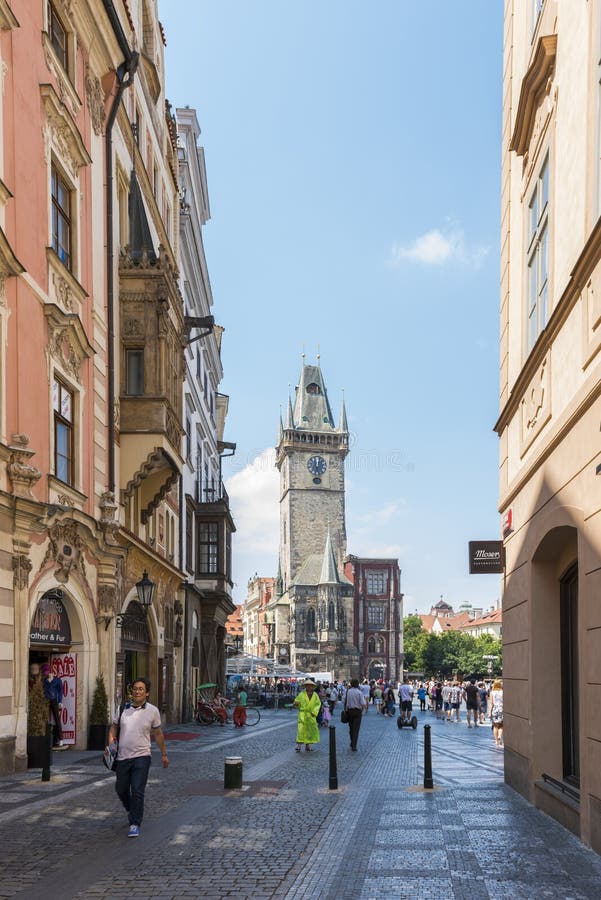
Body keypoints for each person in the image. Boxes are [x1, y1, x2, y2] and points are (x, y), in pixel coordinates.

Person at [107, 677, 168, 838]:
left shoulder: (152, 711)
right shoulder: (122, 709)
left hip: (142, 756)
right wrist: (111, 744)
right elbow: (114, 728)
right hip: (122, 757)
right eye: (135, 688)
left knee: (137, 789)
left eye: (141, 689)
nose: (137, 691)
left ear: (147, 693)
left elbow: (158, 733)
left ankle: (134, 823)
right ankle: (131, 808)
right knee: (120, 788)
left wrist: (163, 754)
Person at [293, 679, 321, 751]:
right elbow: (297, 701)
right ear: (305, 686)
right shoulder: (301, 694)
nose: (308, 687)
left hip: (311, 715)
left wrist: (314, 712)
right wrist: (296, 703)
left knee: (309, 731)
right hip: (302, 715)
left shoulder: (315, 695)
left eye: (310, 686)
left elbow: (318, 704)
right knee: (300, 730)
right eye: (307, 686)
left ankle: (307, 746)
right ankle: (298, 746)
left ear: (312, 686)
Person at [41, 663, 64, 747]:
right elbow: (41, 689)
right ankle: (45, 737)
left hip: (54, 700)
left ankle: (61, 738)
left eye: (47, 671)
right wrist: (47, 681)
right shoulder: (43, 680)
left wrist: (60, 701)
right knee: (44, 719)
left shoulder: (57, 680)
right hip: (46, 701)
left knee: (57, 719)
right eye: (44, 672)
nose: (46, 673)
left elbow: (60, 691)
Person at [344, 678, 366, 750]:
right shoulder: (359, 692)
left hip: (349, 711)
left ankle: (352, 742)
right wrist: (364, 708)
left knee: (351, 728)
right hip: (357, 712)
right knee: (356, 729)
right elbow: (363, 703)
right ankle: (354, 745)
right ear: (357, 684)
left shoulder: (348, 691)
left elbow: (343, 701)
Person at [490, 679, 504, 747]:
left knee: (495, 726)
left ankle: (496, 741)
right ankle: (499, 736)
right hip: (501, 709)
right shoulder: (503, 692)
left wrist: (490, 712)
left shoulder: (492, 692)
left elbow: (491, 703)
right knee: (501, 725)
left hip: (495, 709)